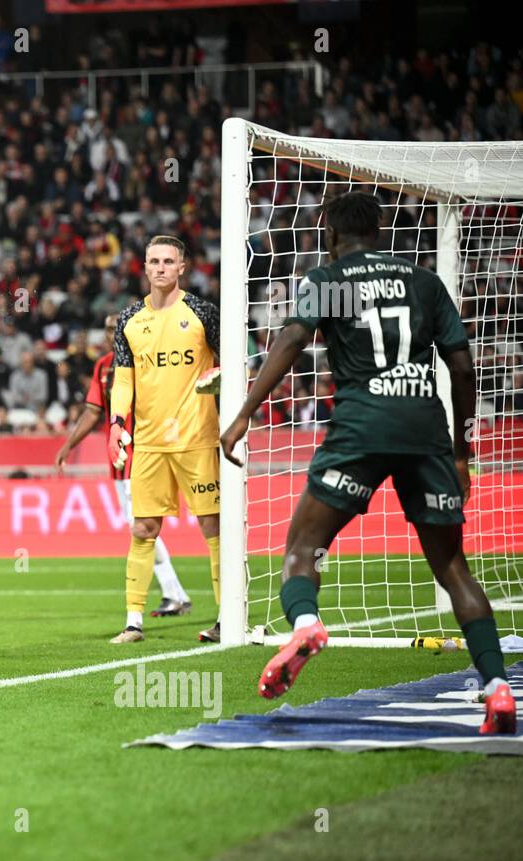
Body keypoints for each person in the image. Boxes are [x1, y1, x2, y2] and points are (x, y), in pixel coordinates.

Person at [220, 191, 515, 734]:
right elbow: (463, 365)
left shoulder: (331, 282)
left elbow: (290, 340)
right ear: (377, 230)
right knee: (453, 569)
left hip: (360, 426)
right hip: (425, 428)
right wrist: (461, 450)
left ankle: (306, 625)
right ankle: (497, 689)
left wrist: (243, 415)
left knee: (303, 549)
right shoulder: (424, 282)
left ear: (329, 233)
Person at [107, 235, 222, 644]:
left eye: (168, 261)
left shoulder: (203, 312)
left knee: (212, 525)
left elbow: (235, 367)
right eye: (153, 261)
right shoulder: (129, 320)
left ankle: (228, 617)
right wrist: (117, 424)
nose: (160, 267)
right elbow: (124, 380)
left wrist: (223, 386)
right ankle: (134, 622)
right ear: (145, 266)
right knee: (143, 528)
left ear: (182, 267)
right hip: (150, 443)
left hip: (197, 438)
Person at [56, 310, 193, 619]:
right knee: (139, 527)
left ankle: (173, 594)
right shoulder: (103, 367)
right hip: (117, 460)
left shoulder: (149, 360)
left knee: (139, 527)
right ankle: (176, 594)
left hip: (144, 454)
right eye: (106, 329)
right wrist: (68, 445)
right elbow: (93, 412)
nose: (110, 334)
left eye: (115, 328)